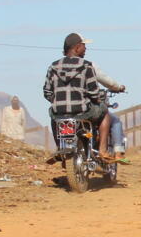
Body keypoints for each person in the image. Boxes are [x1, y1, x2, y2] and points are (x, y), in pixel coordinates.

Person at [44, 33, 118, 161]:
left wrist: (58, 101)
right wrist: (97, 100)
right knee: (105, 113)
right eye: (84, 46)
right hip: (82, 112)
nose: (86, 49)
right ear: (77, 48)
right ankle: (103, 150)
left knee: (53, 114)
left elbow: (47, 92)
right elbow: (94, 92)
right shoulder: (86, 66)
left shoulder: (53, 66)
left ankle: (59, 147)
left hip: (60, 112)